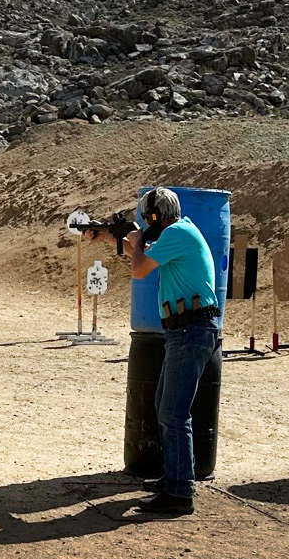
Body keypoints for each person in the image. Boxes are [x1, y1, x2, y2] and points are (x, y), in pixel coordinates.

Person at [89, 187, 221, 515]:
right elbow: (143, 254)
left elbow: (139, 268)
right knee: (167, 408)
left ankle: (180, 492)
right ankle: (175, 479)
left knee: (173, 412)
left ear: (156, 216)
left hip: (190, 330)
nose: (146, 222)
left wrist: (134, 239)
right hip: (185, 330)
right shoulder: (178, 232)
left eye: (148, 217)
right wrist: (109, 237)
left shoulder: (177, 233)